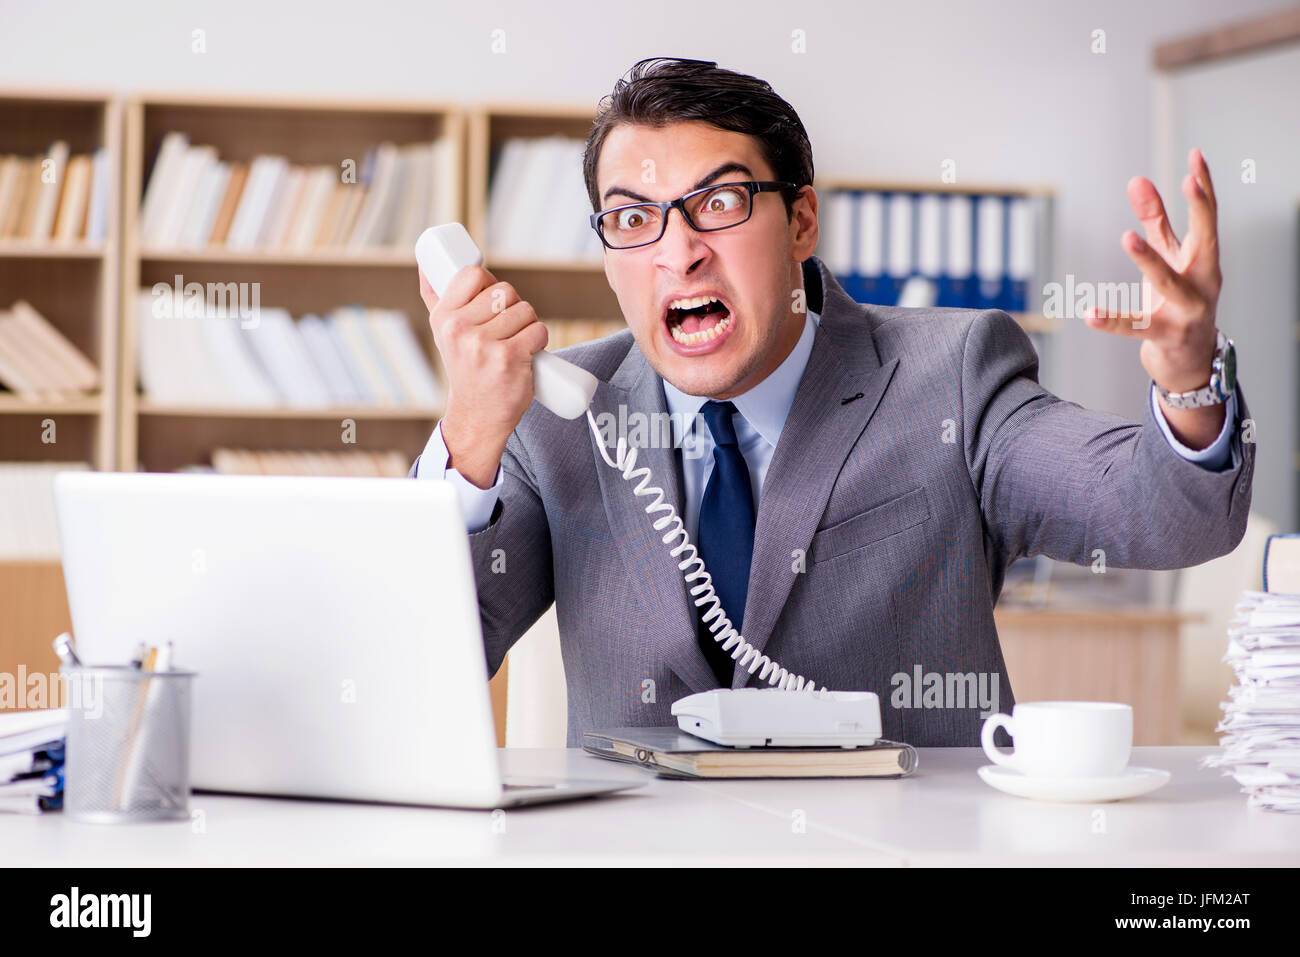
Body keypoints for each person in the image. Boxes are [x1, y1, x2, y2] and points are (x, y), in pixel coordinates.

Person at [410, 58, 1253, 747]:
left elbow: (1165, 513)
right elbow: (423, 661)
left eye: (719, 203)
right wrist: (473, 429)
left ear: (801, 221)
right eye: (632, 219)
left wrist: (1186, 375)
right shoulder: (558, 420)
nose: (679, 253)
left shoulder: (951, 371)